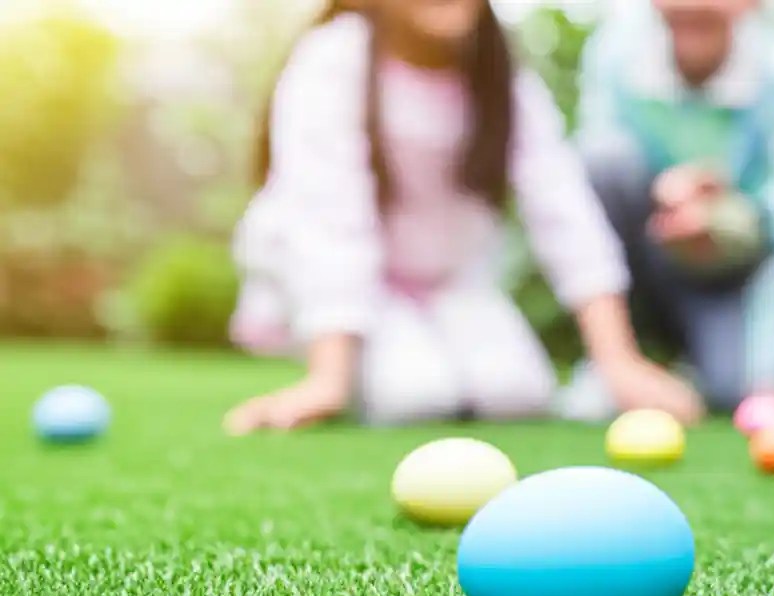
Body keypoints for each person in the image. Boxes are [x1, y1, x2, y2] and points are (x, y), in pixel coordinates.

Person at [224, 0, 703, 434]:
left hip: (449, 281)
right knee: (415, 396)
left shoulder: (499, 70)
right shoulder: (334, 57)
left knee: (517, 394)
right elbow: (330, 222)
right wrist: (329, 379)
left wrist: (618, 361)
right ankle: (356, 366)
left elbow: (563, 210)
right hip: (344, 289)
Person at [557, 0, 774, 419]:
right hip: (642, 248)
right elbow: (587, 187)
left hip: (722, 271)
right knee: (604, 162)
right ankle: (615, 363)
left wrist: (772, 381)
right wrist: (666, 190)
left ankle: (687, 370)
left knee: (735, 389)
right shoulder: (616, 53)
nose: (691, 5)